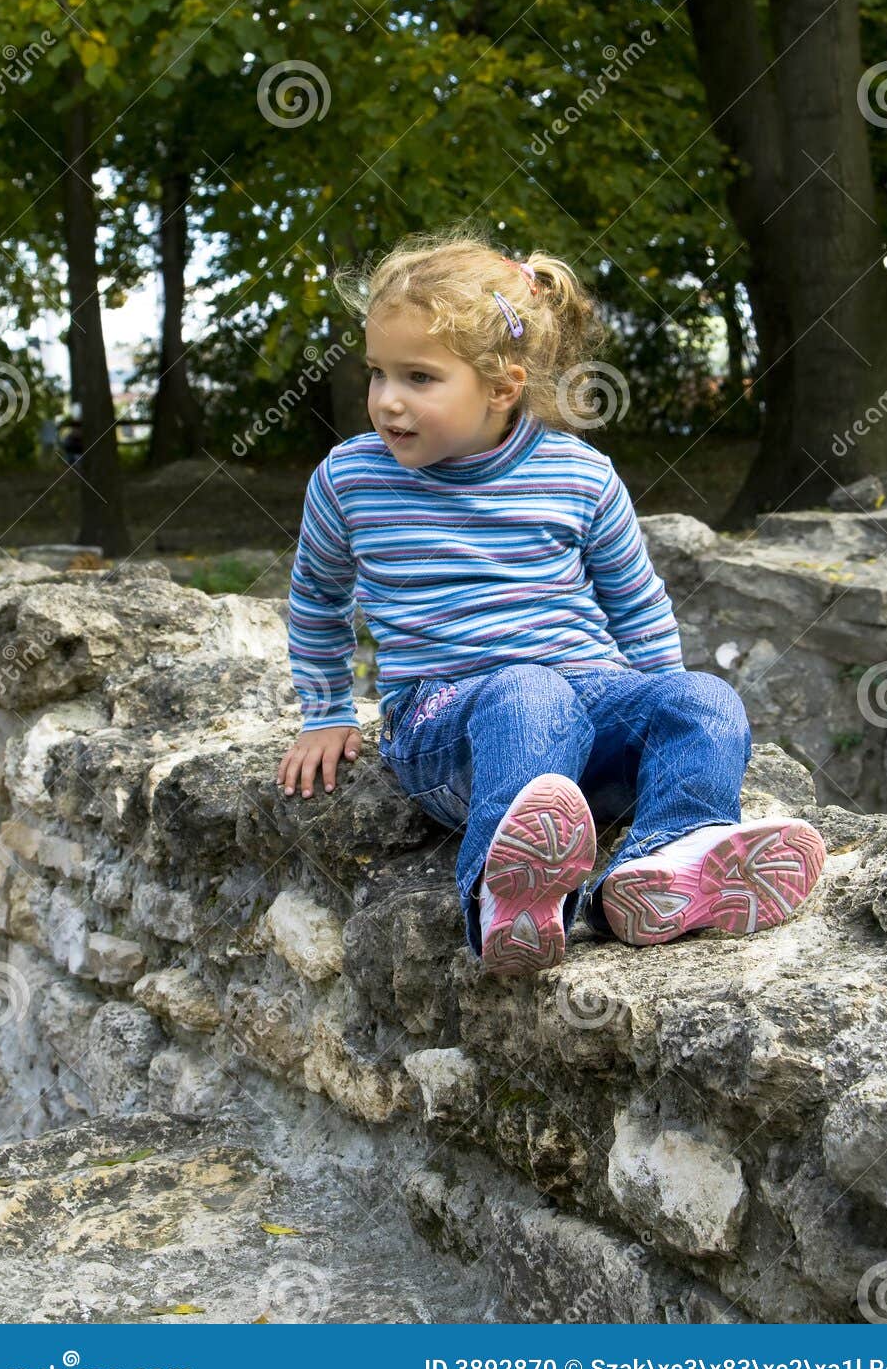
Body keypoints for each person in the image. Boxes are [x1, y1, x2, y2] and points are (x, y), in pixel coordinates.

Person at [275, 229, 826, 978]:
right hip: (448, 724)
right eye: (377, 372)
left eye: (418, 377)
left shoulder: (579, 475)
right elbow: (317, 599)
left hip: (590, 708)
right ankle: (505, 899)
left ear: (502, 387)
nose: (387, 400)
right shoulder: (351, 480)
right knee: (530, 693)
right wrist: (325, 712)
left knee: (704, 698)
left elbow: (638, 605)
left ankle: (665, 860)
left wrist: (658, 709)